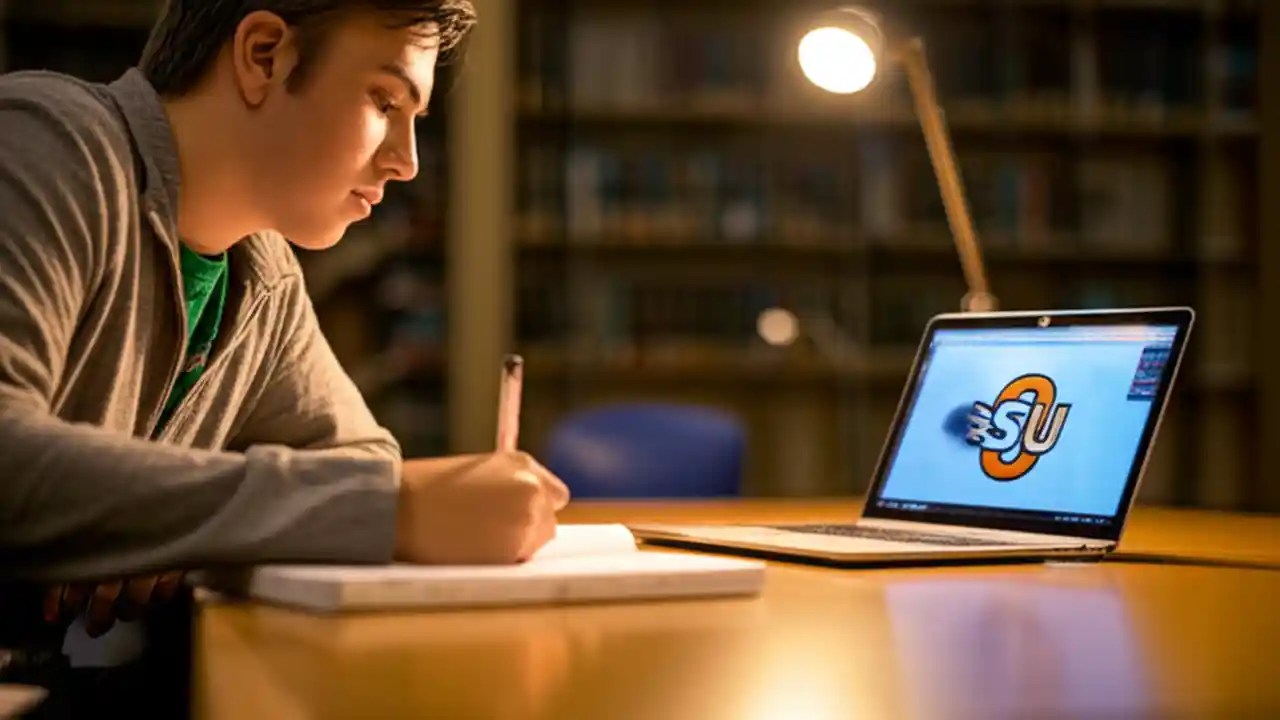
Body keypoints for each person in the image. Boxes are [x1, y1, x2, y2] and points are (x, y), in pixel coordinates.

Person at [0, 0, 570, 714]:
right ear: (264, 56)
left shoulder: (260, 272)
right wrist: (391, 513)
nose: (406, 162)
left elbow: (362, 460)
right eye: (384, 99)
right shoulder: (48, 142)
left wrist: (175, 526)